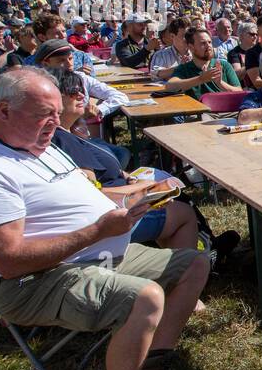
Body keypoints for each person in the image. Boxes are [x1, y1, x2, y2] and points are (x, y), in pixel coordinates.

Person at [0, 67, 210, 370]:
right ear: (4, 111)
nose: (55, 122)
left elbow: (87, 197)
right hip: (34, 280)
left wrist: (134, 200)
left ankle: (154, 366)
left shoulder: (36, 143)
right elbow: (9, 261)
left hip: (95, 254)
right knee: (145, 297)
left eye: (56, 113)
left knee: (194, 262)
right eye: (44, 114)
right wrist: (98, 231)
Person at [49, 68, 201, 250]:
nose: (82, 95)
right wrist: (142, 188)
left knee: (165, 184)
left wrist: (126, 174)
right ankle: (193, 260)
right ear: (54, 99)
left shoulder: (70, 133)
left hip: (123, 193)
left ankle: (197, 247)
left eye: (82, 90)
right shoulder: (63, 139)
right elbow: (93, 191)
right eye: (73, 92)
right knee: (184, 211)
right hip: (116, 213)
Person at [166, 28, 241, 99]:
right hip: (199, 111)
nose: (208, 46)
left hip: (227, 111)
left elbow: (240, 93)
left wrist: (220, 83)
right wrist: (201, 79)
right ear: (191, 47)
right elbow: (170, 86)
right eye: (203, 43)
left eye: (209, 42)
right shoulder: (184, 69)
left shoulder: (224, 65)